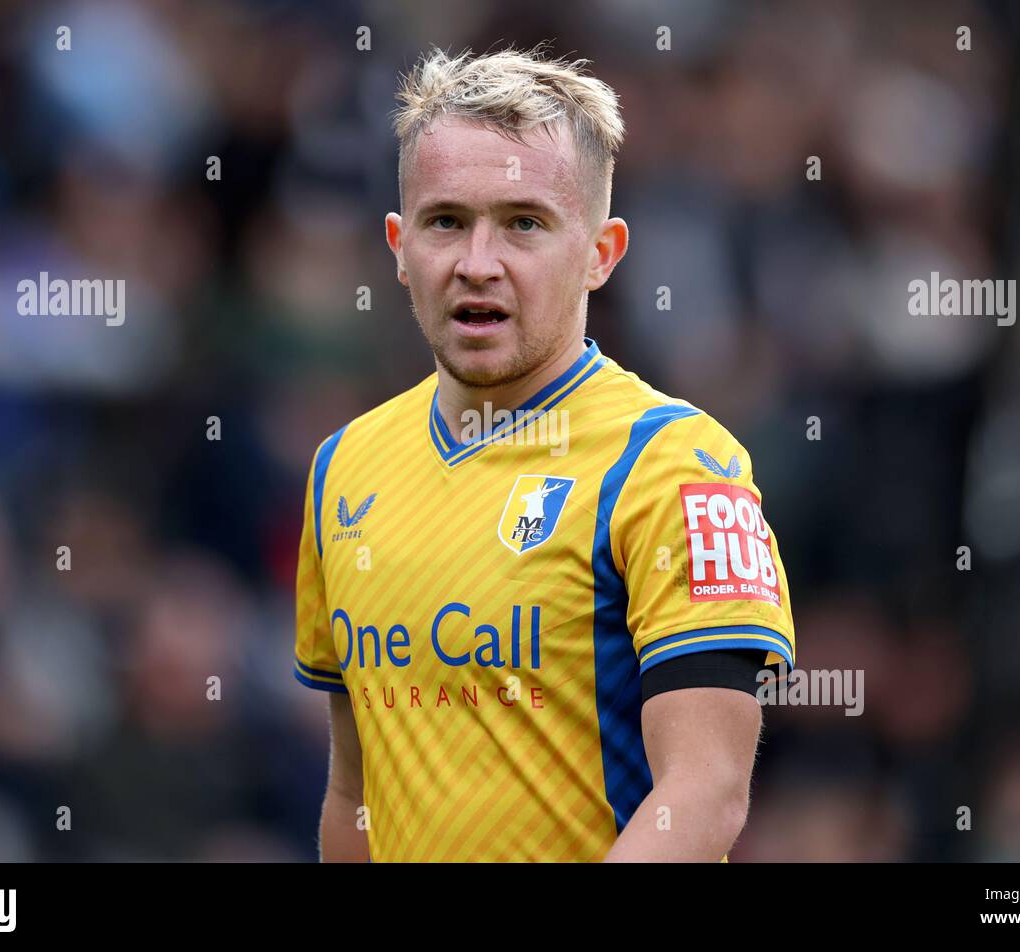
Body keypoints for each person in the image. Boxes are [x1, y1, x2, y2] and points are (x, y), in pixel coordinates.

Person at [293, 44, 795, 861]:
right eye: (446, 221)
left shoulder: (676, 467)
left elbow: (704, 797)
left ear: (602, 253)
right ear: (397, 244)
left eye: (524, 223)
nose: (477, 264)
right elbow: (355, 795)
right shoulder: (341, 469)